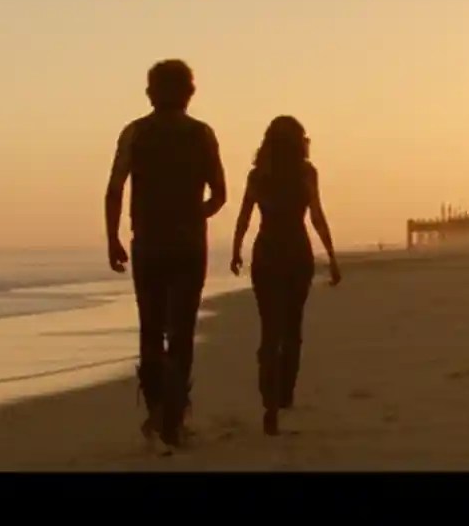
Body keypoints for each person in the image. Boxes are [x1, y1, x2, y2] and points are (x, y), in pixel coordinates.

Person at [104, 59, 226, 449]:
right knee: (182, 332)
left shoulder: (135, 133)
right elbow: (220, 194)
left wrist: (113, 238)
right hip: (189, 243)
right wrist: (194, 213)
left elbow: (114, 189)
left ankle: (157, 414)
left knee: (151, 328)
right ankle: (175, 418)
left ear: (150, 93)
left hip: (149, 243)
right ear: (190, 93)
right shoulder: (202, 134)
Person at [230, 116, 341, 436]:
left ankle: (269, 401)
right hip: (296, 252)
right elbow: (317, 216)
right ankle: (285, 395)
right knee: (292, 328)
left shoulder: (258, 175)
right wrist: (331, 257)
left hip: (266, 253)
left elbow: (244, 217)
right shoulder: (307, 174)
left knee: (269, 329)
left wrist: (237, 250)